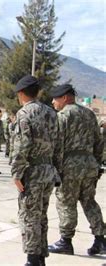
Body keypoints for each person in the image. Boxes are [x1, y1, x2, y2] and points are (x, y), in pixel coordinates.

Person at [48, 84, 105, 256]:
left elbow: (56, 145)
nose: (53, 102)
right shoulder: (89, 114)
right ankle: (100, 239)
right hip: (89, 164)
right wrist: (97, 164)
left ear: (65, 98)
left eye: (55, 98)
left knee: (66, 202)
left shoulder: (63, 116)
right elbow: (99, 142)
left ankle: (65, 241)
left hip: (70, 165)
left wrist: (54, 169)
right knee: (89, 201)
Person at [11, 75, 61, 266]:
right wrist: (56, 169)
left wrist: (16, 173)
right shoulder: (51, 113)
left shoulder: (24, 114)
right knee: (41, 215)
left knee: (29, 216)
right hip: (48, 170)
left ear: (21, 94)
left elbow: (22, 146)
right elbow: (58, 144)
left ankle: (32, 259)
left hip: (32, 172)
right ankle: (40, 257)